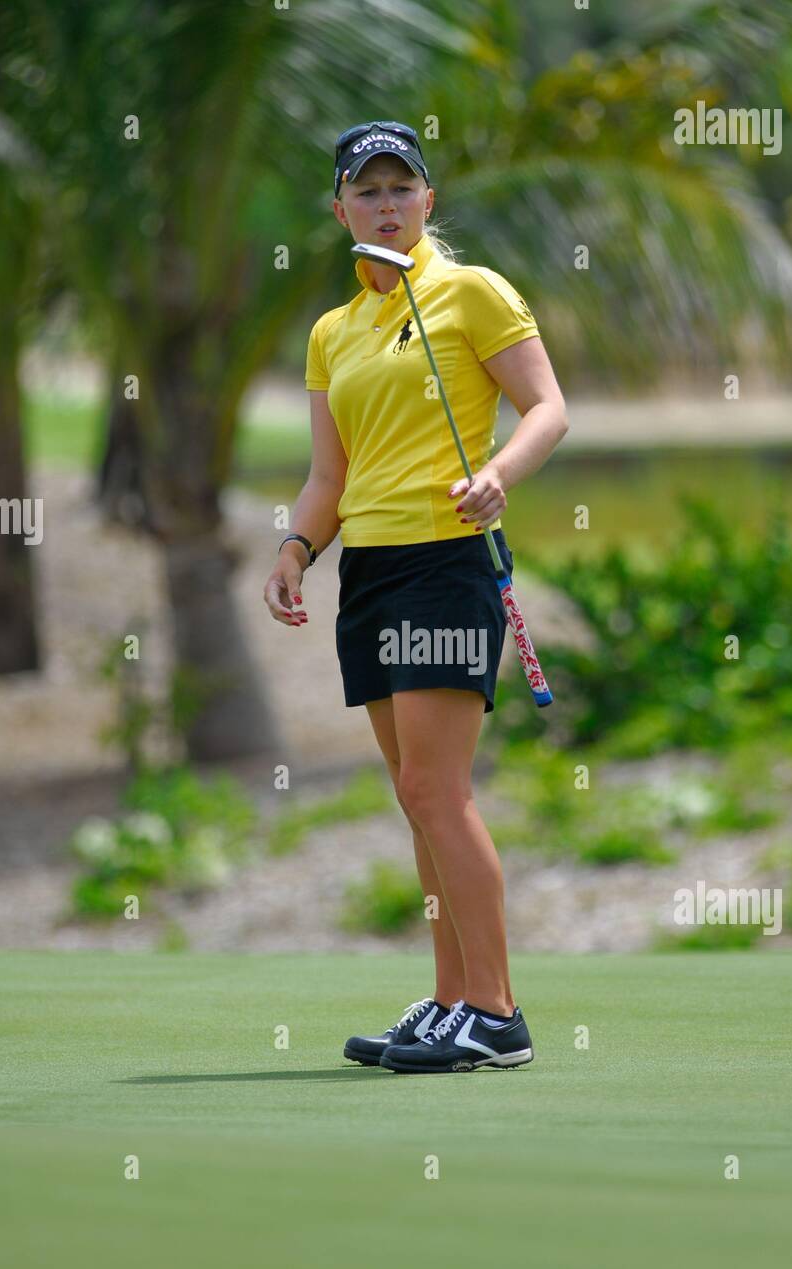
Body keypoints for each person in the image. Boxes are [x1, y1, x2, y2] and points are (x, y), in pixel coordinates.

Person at [263, 121, 568, 1073]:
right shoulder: (333, 332)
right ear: (340, 208)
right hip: (373, 575)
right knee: (415, 798)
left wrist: (500, 475)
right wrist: (296, 546)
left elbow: (548, 408)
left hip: (446, 562)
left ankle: (498, 1013)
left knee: (439, 790)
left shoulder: (469, 293)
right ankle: (449, 1003)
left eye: (403, 189)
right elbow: (329, 474)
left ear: (428, 201)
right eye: (368, 191)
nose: (386, 205)